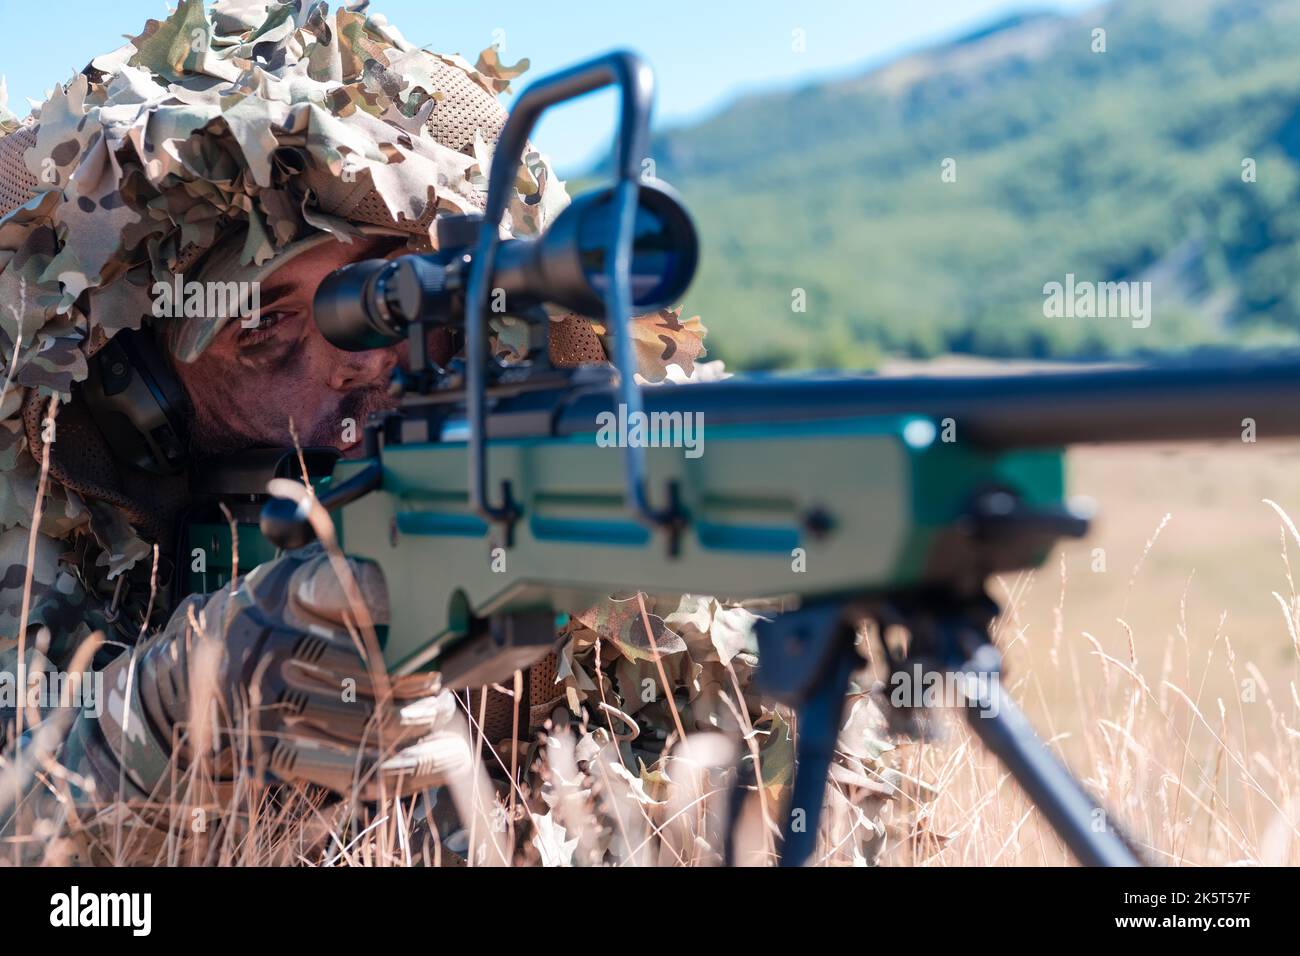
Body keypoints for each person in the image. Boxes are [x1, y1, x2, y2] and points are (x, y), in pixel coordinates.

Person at [0, 1, 891, 867]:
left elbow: (831, 790)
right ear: (136, 389)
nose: (357, 362)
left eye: (385, 294)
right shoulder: (34, 514)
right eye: (263, 330)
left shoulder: (562, 478)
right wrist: (169, 714)